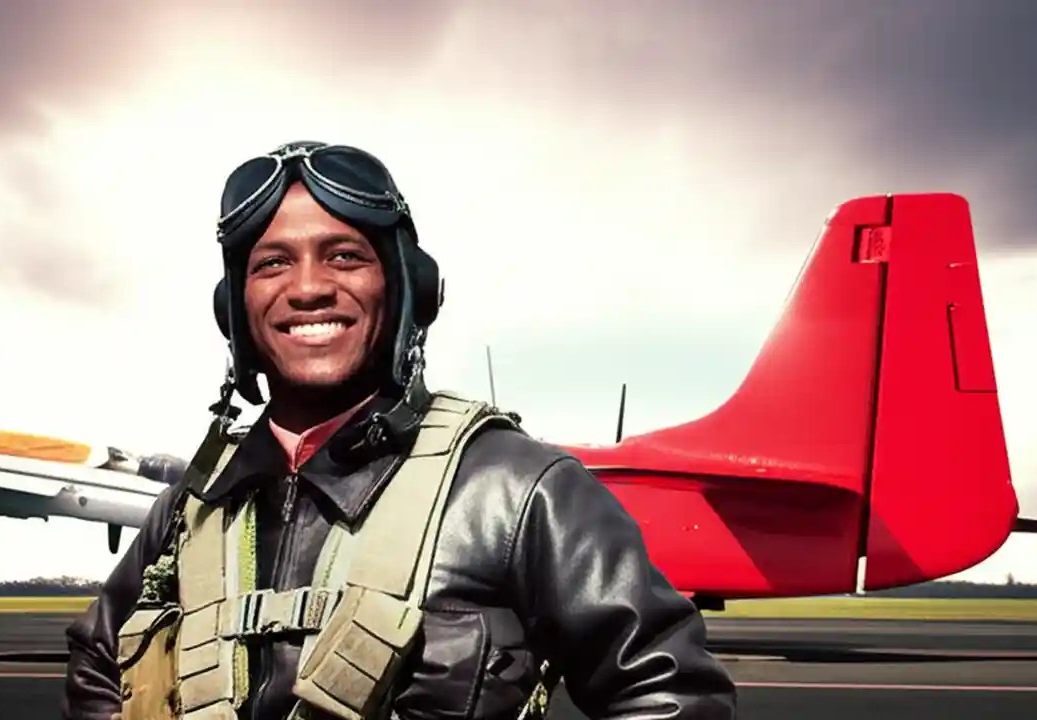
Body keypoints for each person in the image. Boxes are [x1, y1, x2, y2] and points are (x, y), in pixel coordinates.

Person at [61, 141, 737, 719]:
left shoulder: (514, 490)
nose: (307, 289)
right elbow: (98, 660)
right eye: (272, 263)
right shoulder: (195, 509)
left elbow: (668, 691)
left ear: (406, 289)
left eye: (344, 256)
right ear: (234, 308)